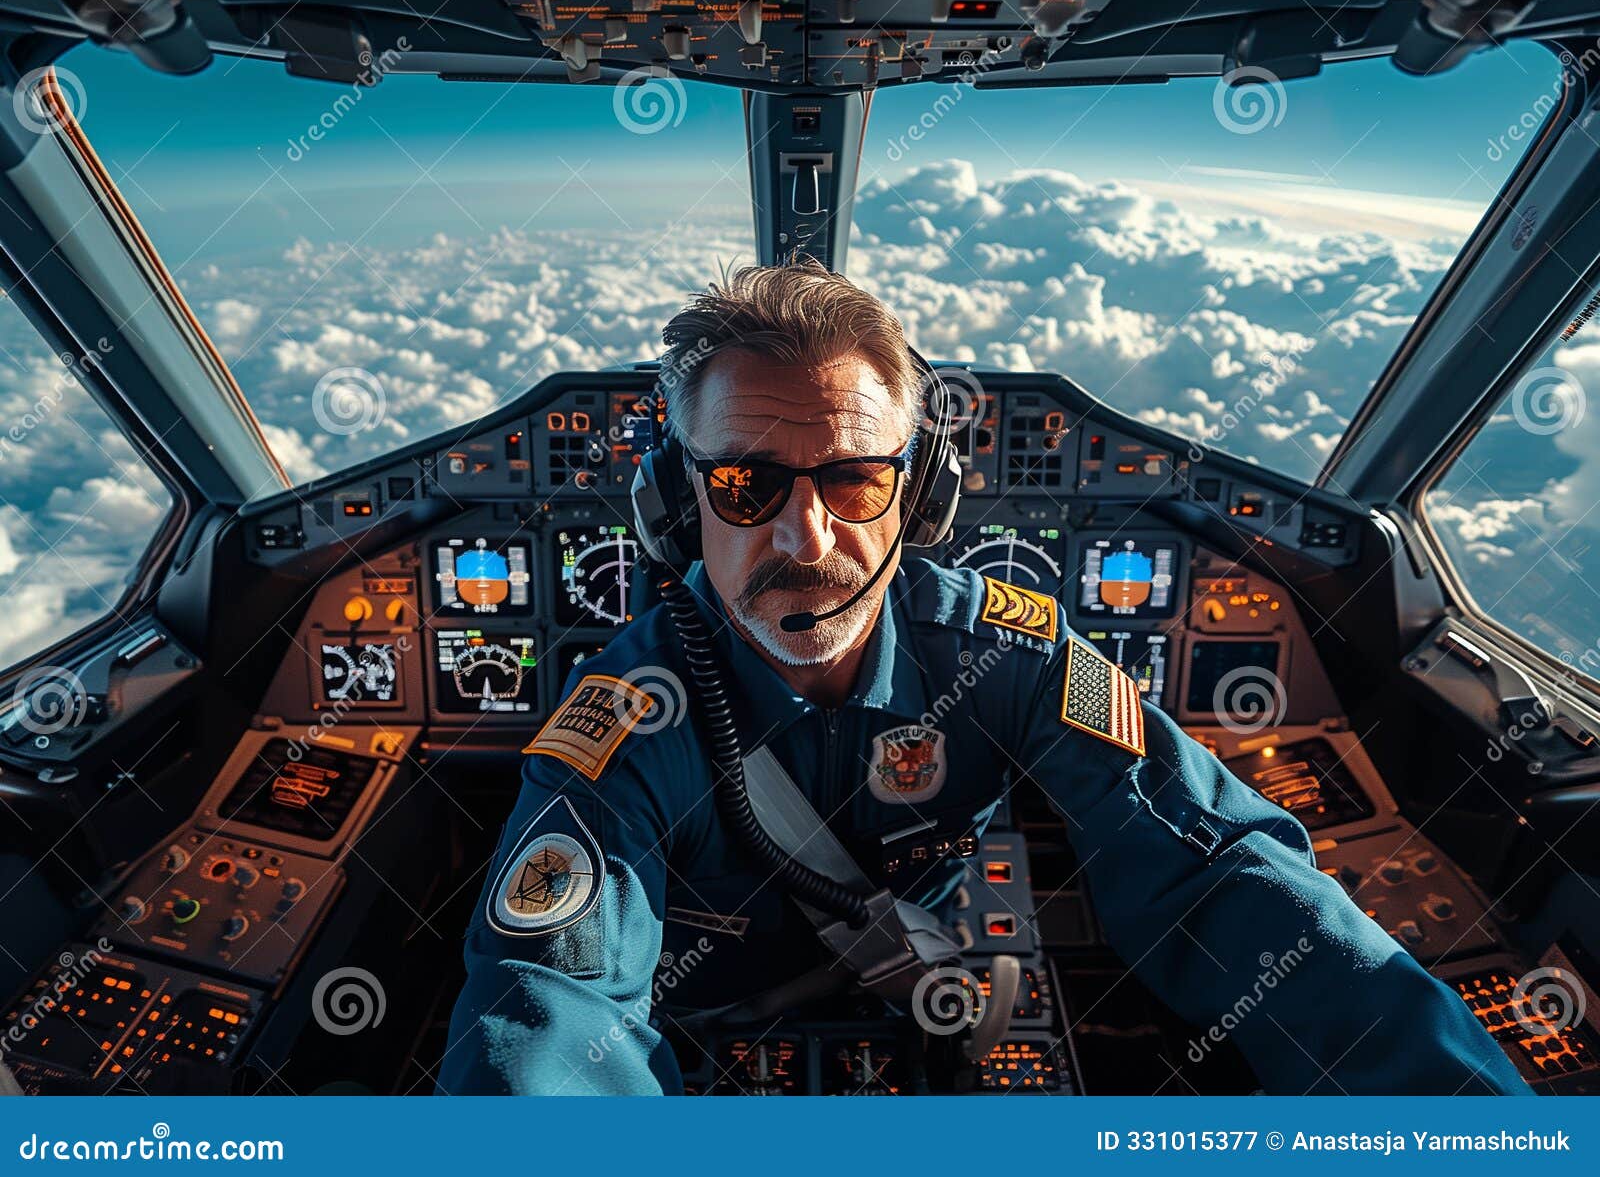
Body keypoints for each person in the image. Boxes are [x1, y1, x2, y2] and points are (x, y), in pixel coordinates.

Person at [438, 258, 1527, 1096]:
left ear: (918, 501)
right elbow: (550, 999)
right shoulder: (632, 713)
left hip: (935, 983)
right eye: (744, 482)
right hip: (698, 1026)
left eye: (856, 480)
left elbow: (1217, 872)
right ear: (676, 508)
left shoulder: (1009, 648)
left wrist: (1468, 1123)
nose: (804, 531)